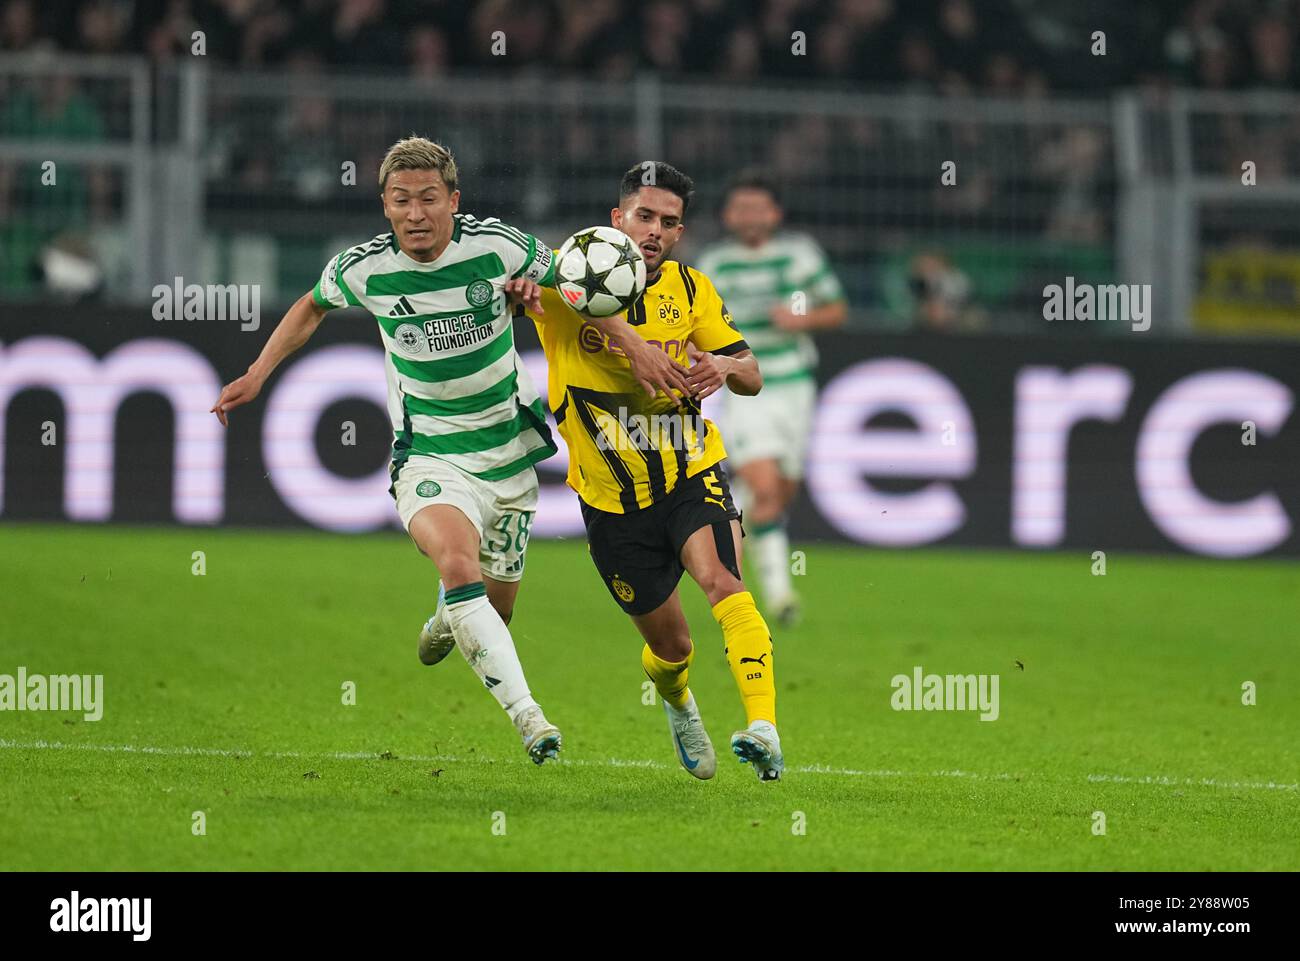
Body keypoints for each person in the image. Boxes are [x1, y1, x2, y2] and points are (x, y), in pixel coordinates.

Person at [211, 137, 589, 764]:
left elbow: (576, 293)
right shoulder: (363, 267)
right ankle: (531, 719)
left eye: (429, 199)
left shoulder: (500, 246)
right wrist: (257, 372)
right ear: (385, 206)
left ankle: (448, 615)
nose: (416, 214)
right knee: (459, 567)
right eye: (401, 201)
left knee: (494, 609)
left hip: (507, 452)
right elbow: (311, 306)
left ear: (453, 201)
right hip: (430, 455)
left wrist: (546, 302)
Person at [515, 162, 785, 781]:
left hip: (692, 472)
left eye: (669, 221)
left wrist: (723, 370)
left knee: (724, 581)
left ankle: (764, 727)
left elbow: (751, 373)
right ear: (617, 219)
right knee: (674, 647)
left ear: (681, 231)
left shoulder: (692, 291)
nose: (655, 231)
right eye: (644, 216)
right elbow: (508, 284)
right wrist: (517, 290)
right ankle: (678, 701)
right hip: (611, 500)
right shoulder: (568, 277)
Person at [696, 171, 847, 628]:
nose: (749, 215)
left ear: (775, 213)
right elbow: (696, 320)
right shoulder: (716, 264)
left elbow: (836, 308)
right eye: (740, 207)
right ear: (727, 215)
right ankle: (779, 596)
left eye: (758, 207)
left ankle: (735, 512)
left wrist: (802, 319)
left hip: (795, 384)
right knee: (765, 490)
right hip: (746, 385)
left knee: (778, 495)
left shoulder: (799, 255)